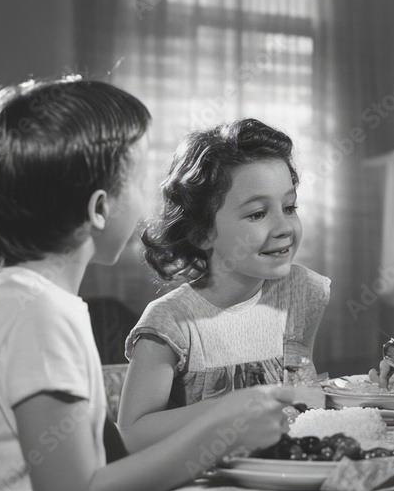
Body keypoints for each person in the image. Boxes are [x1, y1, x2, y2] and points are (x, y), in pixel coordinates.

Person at [0, 79, 294, 491]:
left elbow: (102, 454)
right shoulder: (37, 314)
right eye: (136, 181)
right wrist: (221, 432)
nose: (146, 200)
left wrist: (223, 414)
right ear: (100, 208)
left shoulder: (7, 295)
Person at [118, 118, 329, 452]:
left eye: (289, 207)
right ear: (201, 233)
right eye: (257, 214)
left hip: (287, 475)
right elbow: (132, 433)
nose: (284, 227)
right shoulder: (170, 322)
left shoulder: (303, 291)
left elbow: (301, 393)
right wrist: (235, 408)